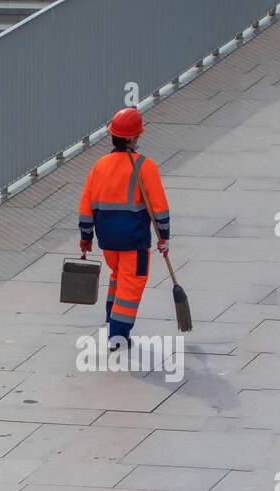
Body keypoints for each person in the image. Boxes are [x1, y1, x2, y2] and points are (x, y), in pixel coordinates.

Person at [78, 107, 172, 350]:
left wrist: (85, 237)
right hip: (134, 241)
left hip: (107, 240)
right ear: (132, 138)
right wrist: (164, 237)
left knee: (118, 276)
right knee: (132, 284)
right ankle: (117, 335)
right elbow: (159, 208)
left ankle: (112, 319)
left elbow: (86, 205)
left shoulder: (99, 165)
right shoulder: (145, 167)